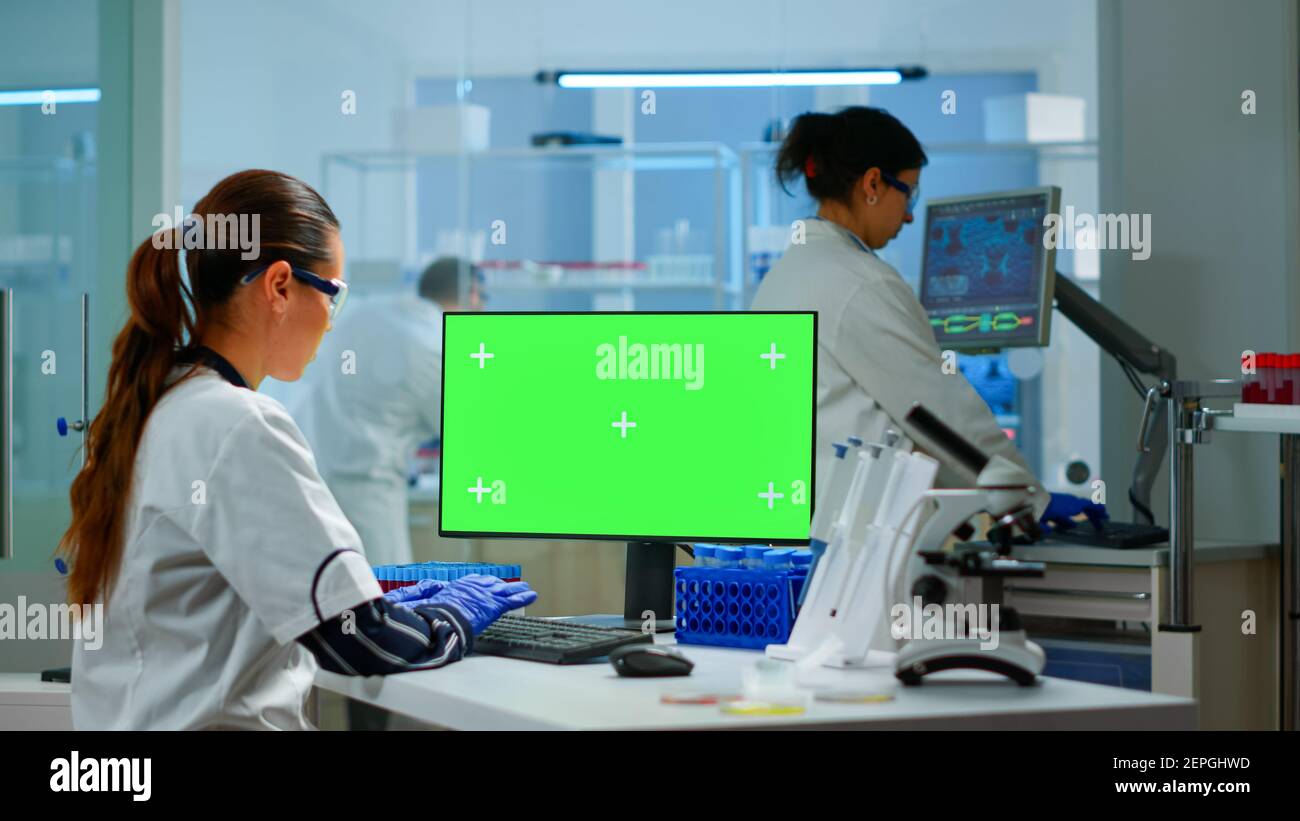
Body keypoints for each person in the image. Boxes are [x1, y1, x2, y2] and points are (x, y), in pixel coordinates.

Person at [59, 169, 535, 730]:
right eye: (333, 294)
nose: (333, 323)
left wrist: (383, 608)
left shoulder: (161, 405)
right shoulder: (237, 424)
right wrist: (454, 617)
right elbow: (363, 646)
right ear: (280, 286)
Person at [750, 107, 1100, 528]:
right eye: (909, 192)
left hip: (814, 529)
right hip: (864, 540)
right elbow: (943, 413)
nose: (910, 214)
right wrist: (1029, 499)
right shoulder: (861, 284)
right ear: (873, 183)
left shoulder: (788, 272)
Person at [285, 257, 482, 569]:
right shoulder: (433, 345)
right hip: (368, 495)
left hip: (312, 480)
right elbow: (465, 431)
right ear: (473, 295)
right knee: (379, 597)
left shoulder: (368, 313)